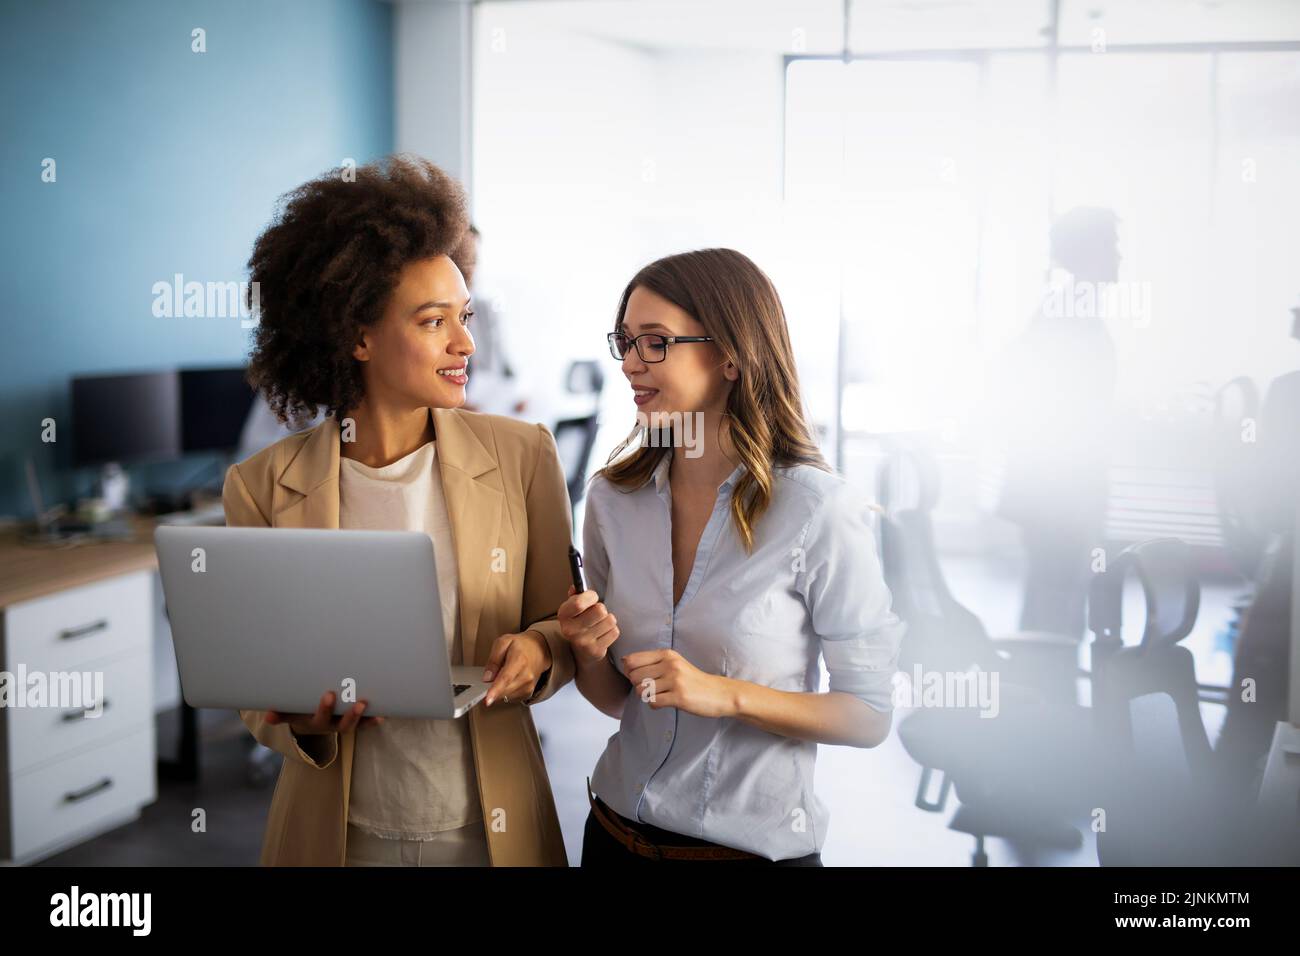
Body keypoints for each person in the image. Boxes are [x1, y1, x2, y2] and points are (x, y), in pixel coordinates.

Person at [223, 155, 574, 866]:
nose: (465, 343)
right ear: (357, 336)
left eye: (464, 317)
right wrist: (300, 720)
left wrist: (539, 649)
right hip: (340, 835)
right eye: (433, 321)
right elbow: (256, 696)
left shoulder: (522, 456)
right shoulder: (262, 486)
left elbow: (559, 628)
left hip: (489, 829)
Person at [556, 248, 905, 865]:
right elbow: (619, 701)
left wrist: (726, 695)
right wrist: (588, 650)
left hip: (746, 856)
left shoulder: (818, 511)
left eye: (656, 342)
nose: (632, 364)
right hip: (613, 837)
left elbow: (869, 714)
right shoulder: (613, 498)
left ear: (732, 357)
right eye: (626, 341)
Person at [995, 206, 1120, 640]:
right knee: (1055, 604)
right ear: (1088, 253)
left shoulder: (1070, 310)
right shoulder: (1067, 314)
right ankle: (1043, 697)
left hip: (1062, 490)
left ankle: (1044, 693)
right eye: (1112, 245)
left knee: (1057, 599)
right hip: (1060, 491)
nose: (1120, 257)